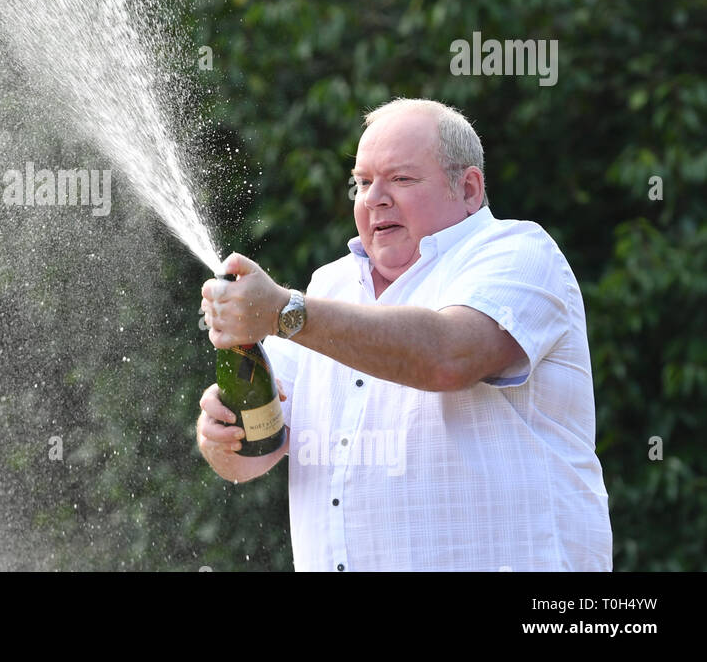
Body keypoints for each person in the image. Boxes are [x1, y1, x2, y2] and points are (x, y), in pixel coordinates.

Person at [198, 98, 613, 571]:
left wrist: (284, 312)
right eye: (363, 182)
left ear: (469, 189)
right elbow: (257, 451)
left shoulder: (519, 252)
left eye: (401, 178)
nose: (374, 198)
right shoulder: (326, 287)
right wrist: (223, 435)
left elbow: (448, 356)